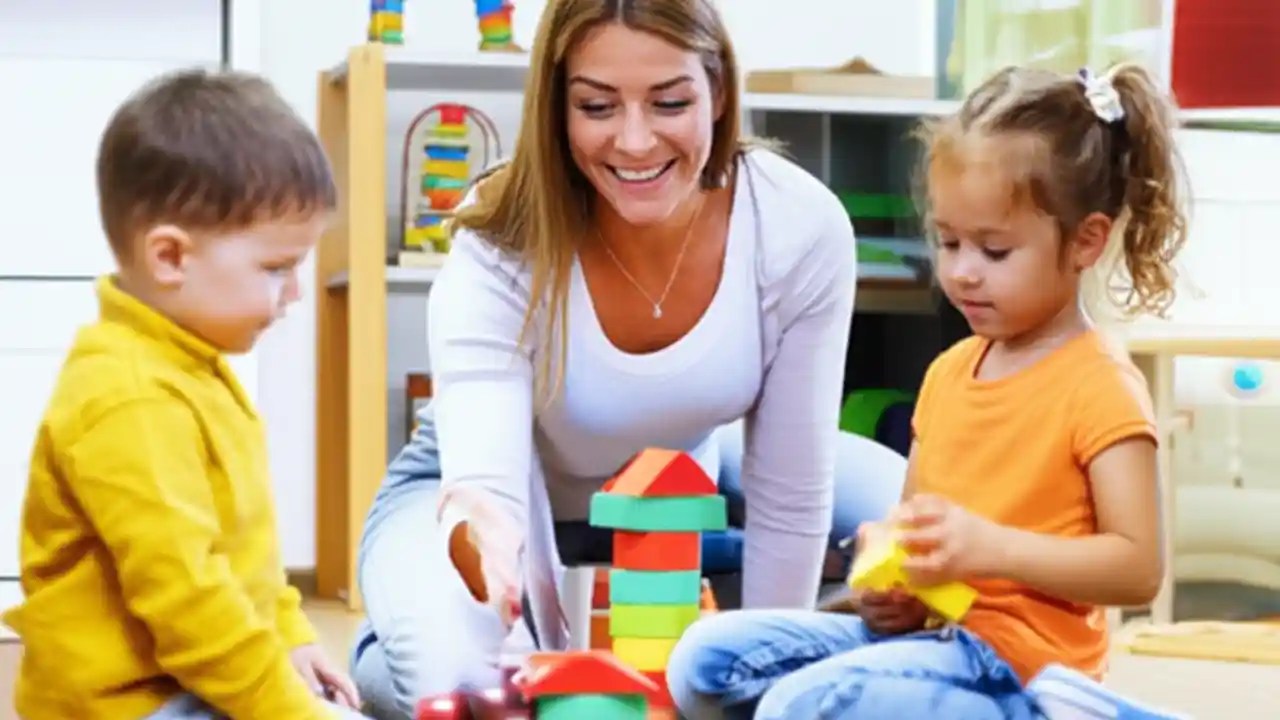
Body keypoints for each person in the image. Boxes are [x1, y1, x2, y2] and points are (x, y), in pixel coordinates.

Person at [346, 0, 910, 717]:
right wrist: (488, 555)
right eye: (597, 106)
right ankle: (392, 641)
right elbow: (486, 482)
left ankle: (732, 597)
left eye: (670, 102)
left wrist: (758, 673)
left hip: (689, 467)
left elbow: (793, 492)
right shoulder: (503, 233)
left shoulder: (797, 225)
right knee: (463, 687)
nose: (635, 141)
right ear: (556, 107)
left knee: (918, 520)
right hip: (482, 491)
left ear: (719, 93)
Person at [666, 62, 1192, 720]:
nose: (963, 273)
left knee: (800, 706)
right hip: (930, 638)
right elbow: (914, 542)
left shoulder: (1100, 384)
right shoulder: (949, 373)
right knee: (703, 661)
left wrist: (989, 548)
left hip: (1013, 665)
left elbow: (1137, 567)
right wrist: (893, 589)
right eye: (948, 243)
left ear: (1086, 240)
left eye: (994, 252)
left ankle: (1068, 713)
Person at [2, 69, 367, 720]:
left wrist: (290, 636)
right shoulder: (130, 397)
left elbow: (242, 552)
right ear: (170, 257)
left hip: (189, 680)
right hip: (129, 705)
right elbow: (188, 599)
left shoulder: (189, 365)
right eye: (276, 268)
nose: (296, 294)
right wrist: (291, 710)